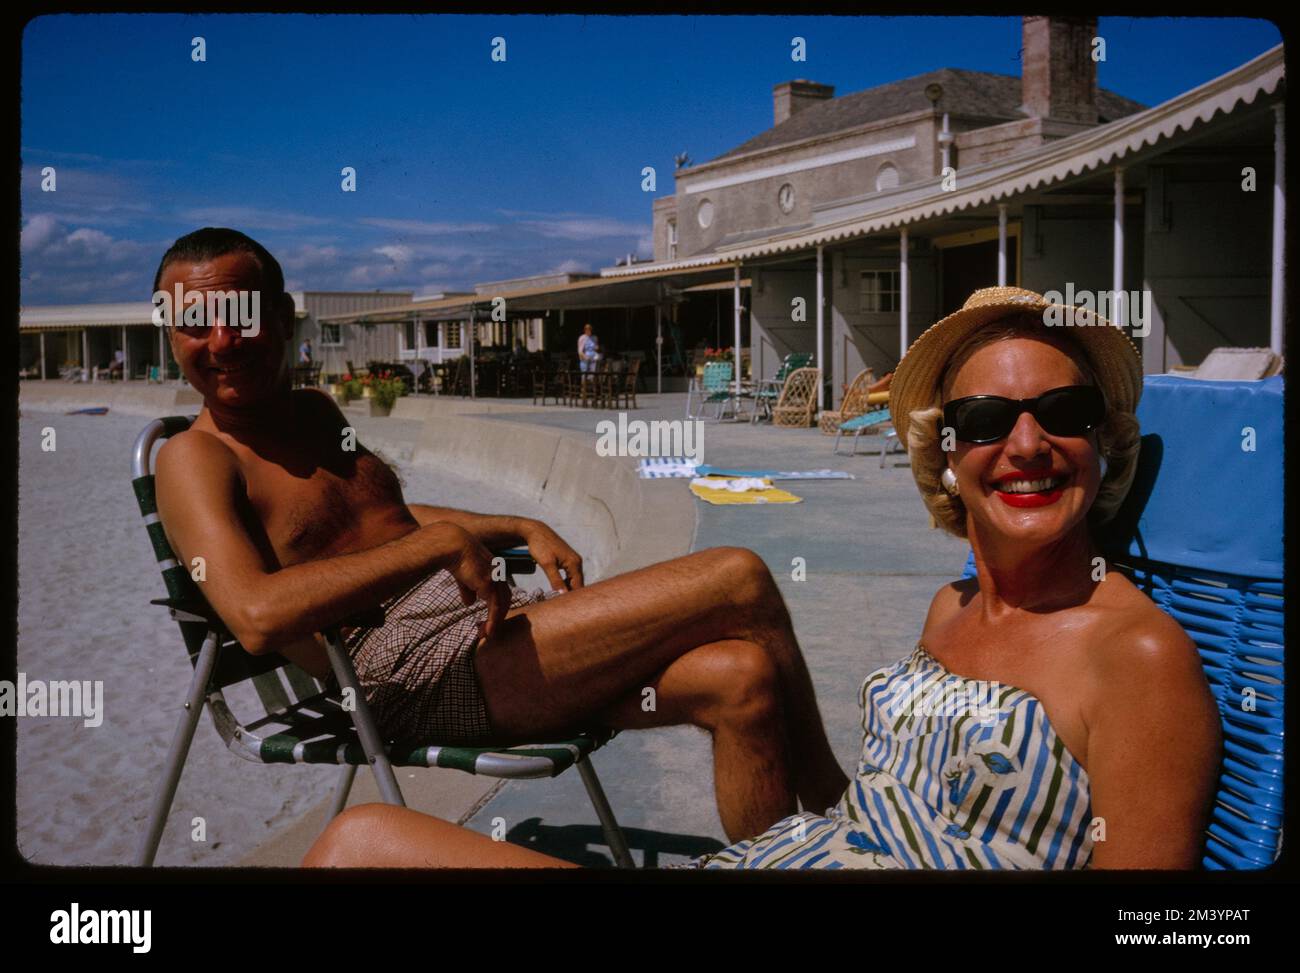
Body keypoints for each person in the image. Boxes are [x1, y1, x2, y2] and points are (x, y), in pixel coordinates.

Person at [304, 286, 1221, 870]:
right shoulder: (954, 604)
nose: (1027, 443)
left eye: (1061, 412)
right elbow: (856, 801)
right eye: (987, 418)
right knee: (361, 843)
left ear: (1104, 446)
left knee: (365, 849)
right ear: (945, 455)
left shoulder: (1136, 656)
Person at [151, 228, 848, 847]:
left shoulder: (310, 411)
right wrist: (440, 546)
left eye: (241, 315)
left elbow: (380, 520)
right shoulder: (195, 459)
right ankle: (845, 815)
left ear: (281, 317)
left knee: (744, 679)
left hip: (487, 634)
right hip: (401, 674)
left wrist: (512, 524)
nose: (220, 341)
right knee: (737, 576)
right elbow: (256, 614)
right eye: (194, 322)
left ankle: (783, 857)